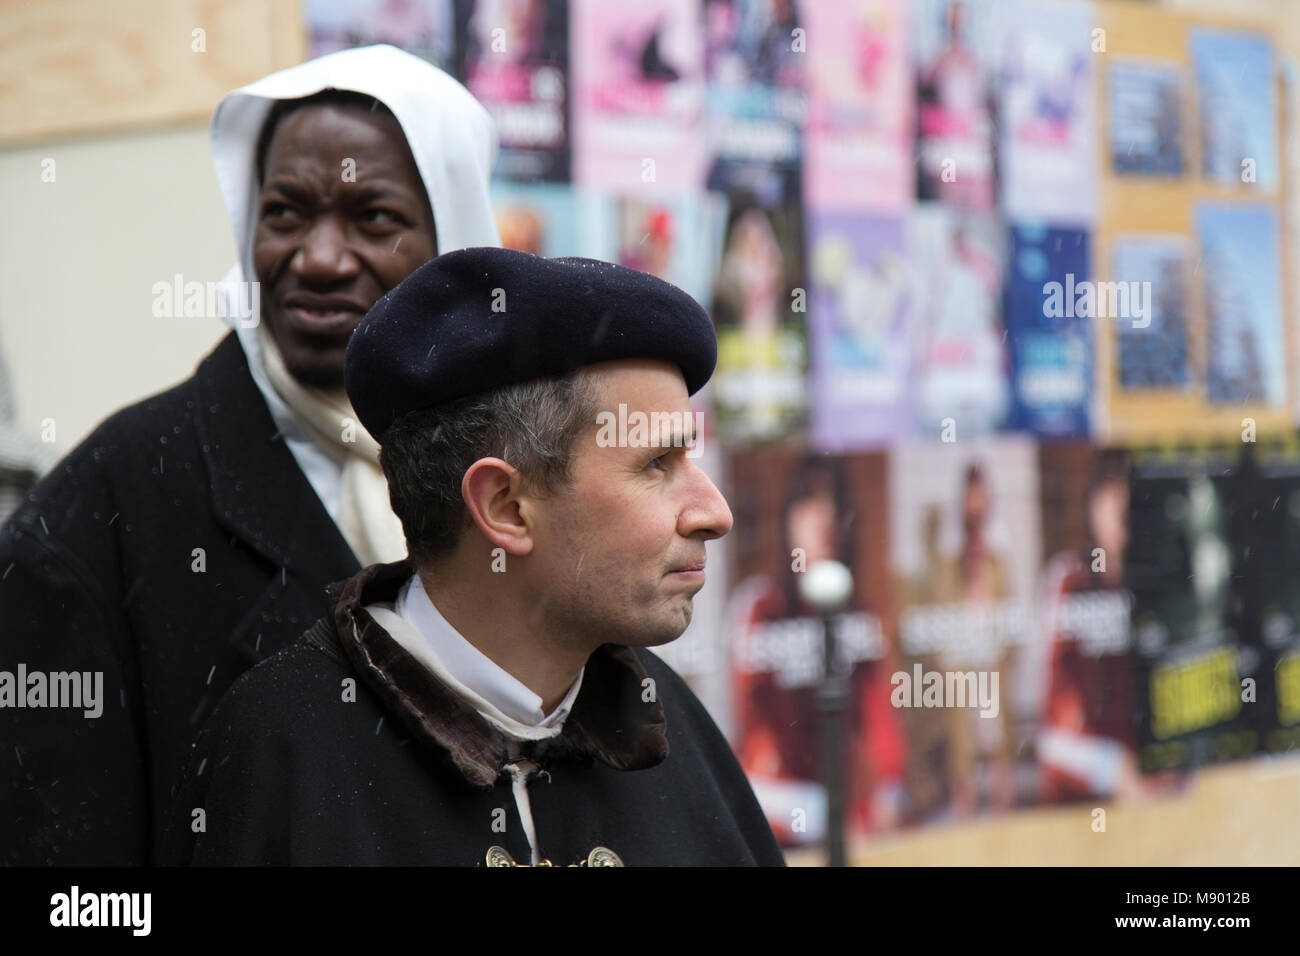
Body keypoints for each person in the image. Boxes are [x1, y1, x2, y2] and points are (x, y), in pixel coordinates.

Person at [0, 44, 499, 866]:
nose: (320, 258)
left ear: (453, 243)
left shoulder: (509, 491)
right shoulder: (104, 512)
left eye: (373, 217)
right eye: (285, 213)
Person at [162, 247, 787, 866]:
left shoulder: (666, 724)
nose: (716, 512)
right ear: (505, 506)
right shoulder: (286, 757)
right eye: (657, 463)